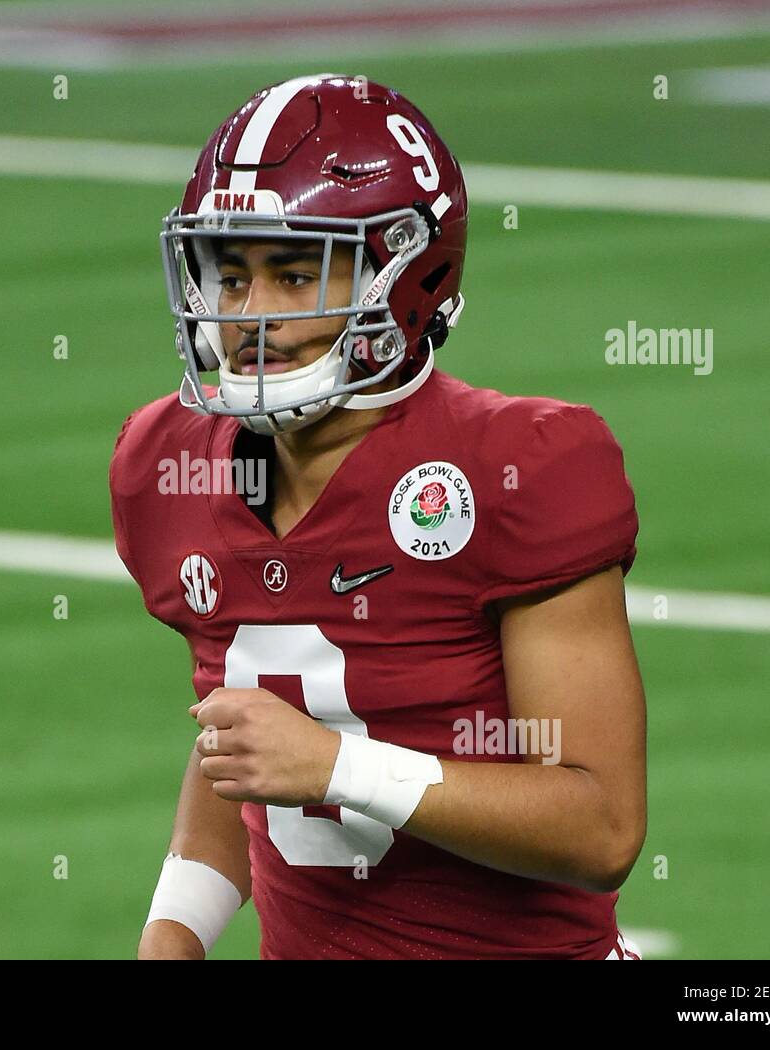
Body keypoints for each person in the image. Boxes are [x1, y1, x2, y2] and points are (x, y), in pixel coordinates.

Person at [110, 74, 646, 960]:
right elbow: (249, 737)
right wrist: (175, 933)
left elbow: (601, 827)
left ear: (406, 274)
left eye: (294, 274)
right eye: (230, 276)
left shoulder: (518, 468)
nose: (250, 316)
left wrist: (338, 768)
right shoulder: (166, 465)